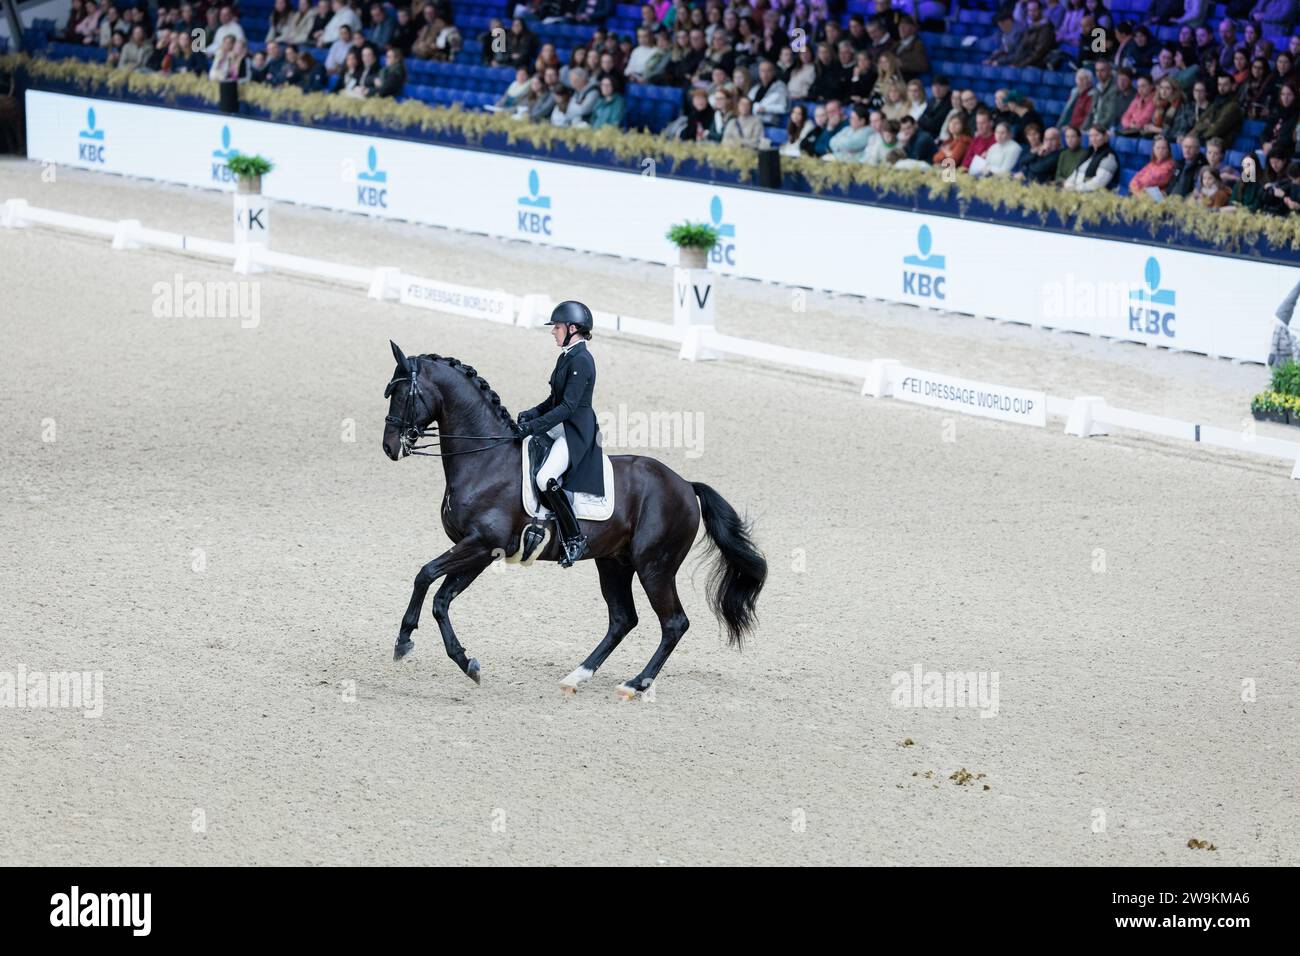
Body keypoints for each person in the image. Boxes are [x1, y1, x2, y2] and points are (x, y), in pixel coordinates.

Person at [516, 302, 603, 568]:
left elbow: (567, 407)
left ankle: (574, 537)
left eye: (557, 326)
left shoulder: (582, 360)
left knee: (545, 477)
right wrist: (531, 413)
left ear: (573, 328)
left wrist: (535, 425)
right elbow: (554, 398)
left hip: (575, 431)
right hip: (561, 424)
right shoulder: (567, 355)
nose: (553, 331)